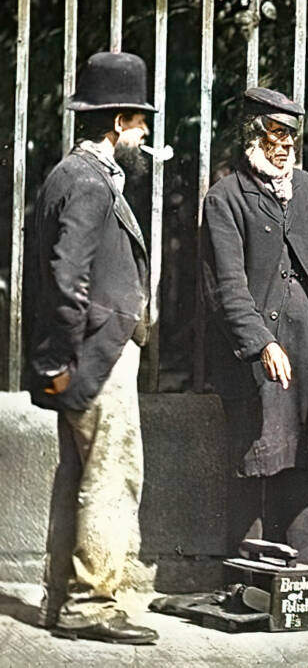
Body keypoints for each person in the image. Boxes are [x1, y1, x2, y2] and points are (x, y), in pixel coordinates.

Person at [201, 87, 308, 609]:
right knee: (256, 461)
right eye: (277, 135)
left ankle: (304, 577)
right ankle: (248, 579)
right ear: (253, 136)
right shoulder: (224, 198)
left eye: (292, 137)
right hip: (254, 358)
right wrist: (260, 342)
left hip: (307, 350)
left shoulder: (307, 188)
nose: (286, 147)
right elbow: (226, 287)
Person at [27, 51, 158, 644]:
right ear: (118, 122)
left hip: (81, 357)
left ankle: (64, 598)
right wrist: (61, 359)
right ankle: (90, 604)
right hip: (95, 357)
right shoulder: (88, 182)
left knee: (77, 475)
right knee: (111, 478)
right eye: (140, 121)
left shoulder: (70, 173)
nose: (146, 133)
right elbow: (65, 276)